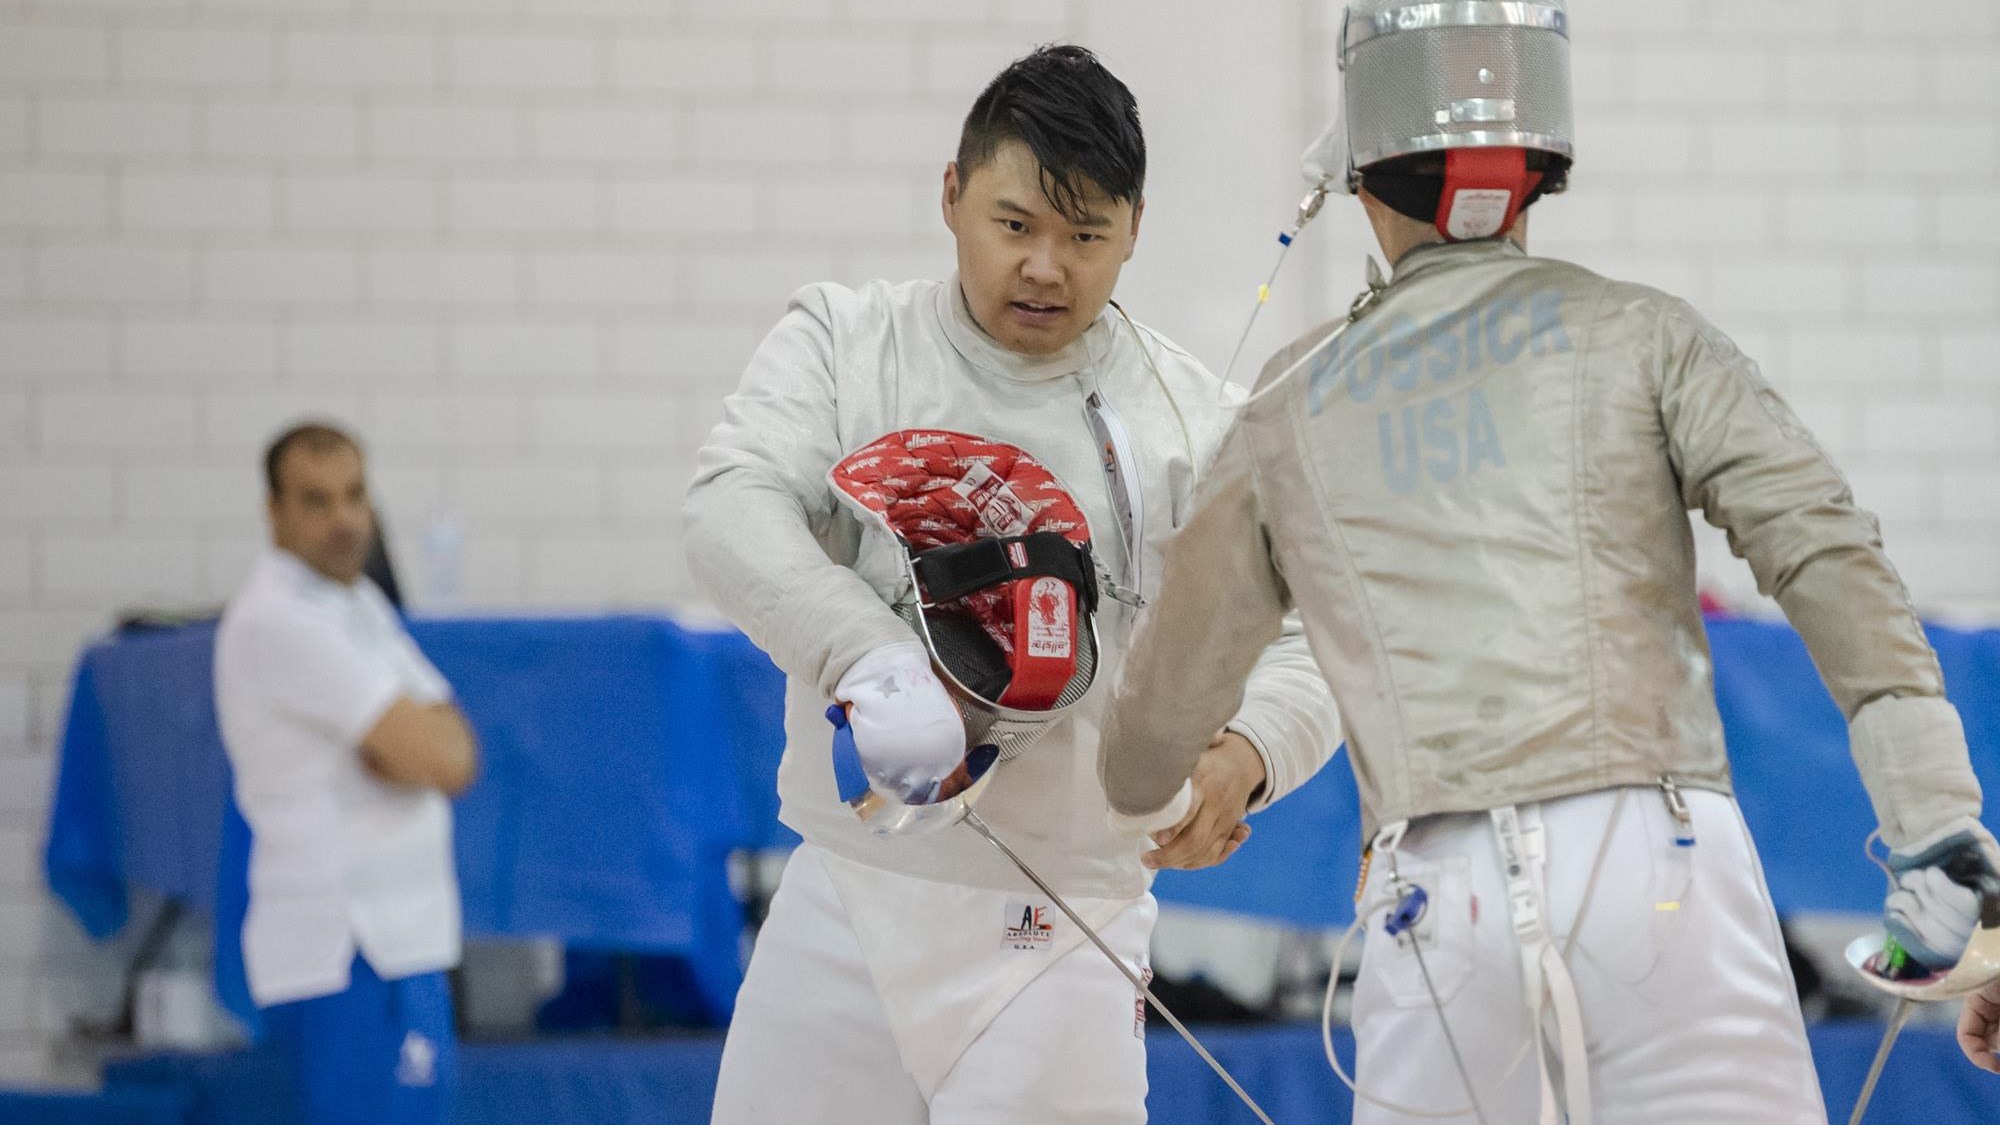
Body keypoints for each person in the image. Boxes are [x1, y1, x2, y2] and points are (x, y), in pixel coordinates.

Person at [1095, 4, 2000, 1123]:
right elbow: (1825, 551)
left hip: (1435, 905)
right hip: (1666, 876)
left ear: (1357, 176)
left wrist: (1173, 790)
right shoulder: (1646, 334)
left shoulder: (1287, 405)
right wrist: (1939, 831)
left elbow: (1145, 744)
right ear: (1536, 174)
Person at [684, 44, 1340, 1125]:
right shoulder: (848, 342)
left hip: (1065, 922)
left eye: (1084, 237)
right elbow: (728, 509)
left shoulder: (1196, 424)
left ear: (1133, 231)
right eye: (1014, 225)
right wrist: (872, 658)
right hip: (844, 896)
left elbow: (1316, 629)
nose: (1045, 267)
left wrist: (1248, 755)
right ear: (950, 196)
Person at [214, 421, 479, 1125]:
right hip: (343, 953)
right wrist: (411, 742)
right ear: (274, 511)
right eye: (317, 500)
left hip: (400, 945)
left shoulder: (358, 604)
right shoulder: (280, 620)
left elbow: (457, 747)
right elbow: (439, 755)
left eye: (354, 496)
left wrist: (406, 741)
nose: (343, 520)